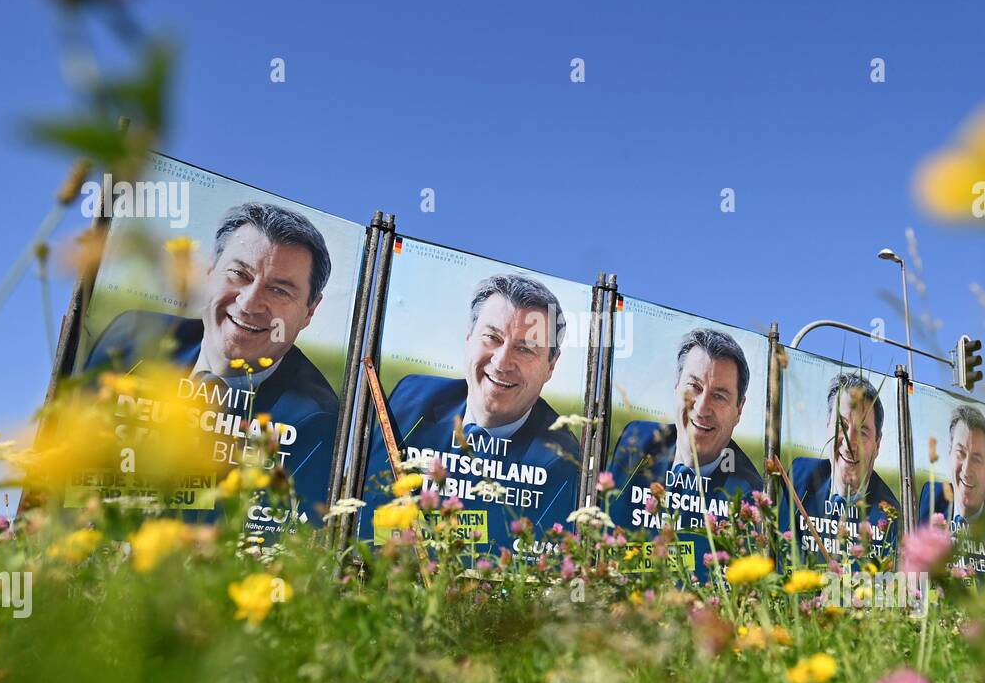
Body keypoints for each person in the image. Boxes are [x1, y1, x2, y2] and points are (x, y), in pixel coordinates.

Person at [82, 201, 340, 521]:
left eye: (278, 290)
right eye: (239, 274)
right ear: (209, 271)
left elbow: (254, 535)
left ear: (309, 312)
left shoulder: (316, 421)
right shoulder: (128, 341)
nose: (249, 303)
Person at [362, 274, 582, 555]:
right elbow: (367, 518)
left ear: (551, 366)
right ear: (468, 339)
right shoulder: (411, 398)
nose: (502, 362)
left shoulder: (562, 466)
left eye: (525, 349)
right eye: (492, 337)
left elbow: (500, 560)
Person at [607, 328, 763, 579]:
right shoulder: (636, 440)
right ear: (677, 386)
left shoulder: (747, 495)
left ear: (739, 410)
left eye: (720, 396)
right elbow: (606, 533)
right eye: (695, 387)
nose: (702, 408)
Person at [784, 373, 900, 567]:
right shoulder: (798, 476)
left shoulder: (891, 519)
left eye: (862, 432)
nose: (849, 443)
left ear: (877, 445)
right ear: (828, 426)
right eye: (841, 425)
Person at [916, 403, 985, 587]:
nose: (967, 469)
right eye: (960, 453)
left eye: (977, 459)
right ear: (949, 454)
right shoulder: (930, 496)